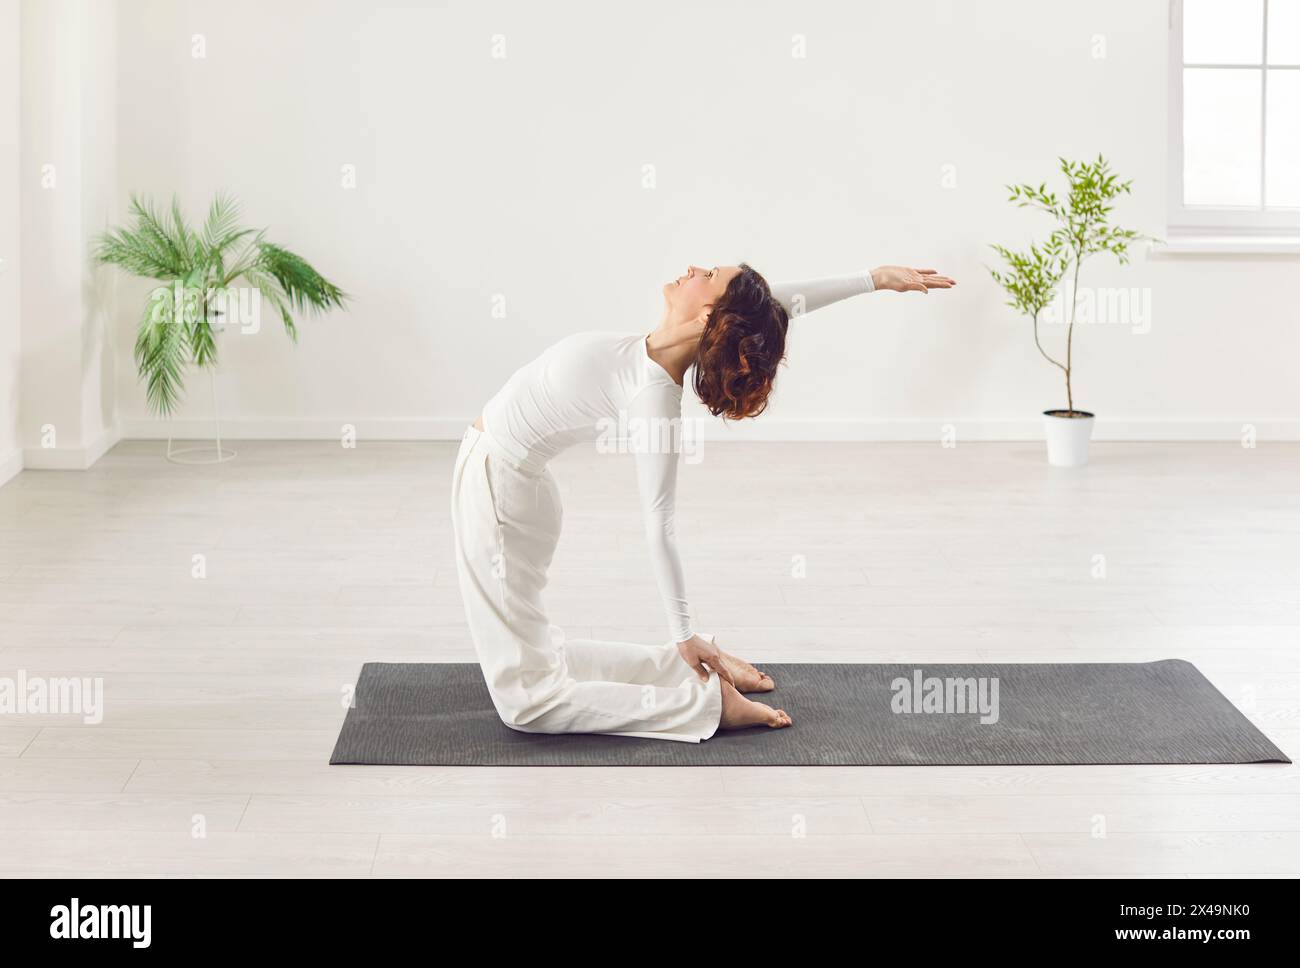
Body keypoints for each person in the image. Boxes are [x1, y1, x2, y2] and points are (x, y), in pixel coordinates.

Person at [450, 263, 956, 742]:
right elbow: (772, 305)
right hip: (512, 488)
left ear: (709, 317)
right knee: (540, 657)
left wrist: (684, 630)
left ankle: (706, 705)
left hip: (498, 492)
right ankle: (689, 668)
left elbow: (658, 522)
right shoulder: (666, 346)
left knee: (527, 702)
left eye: (708, 276)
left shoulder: (650, 395)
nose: (693, 268)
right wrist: (873, 279)